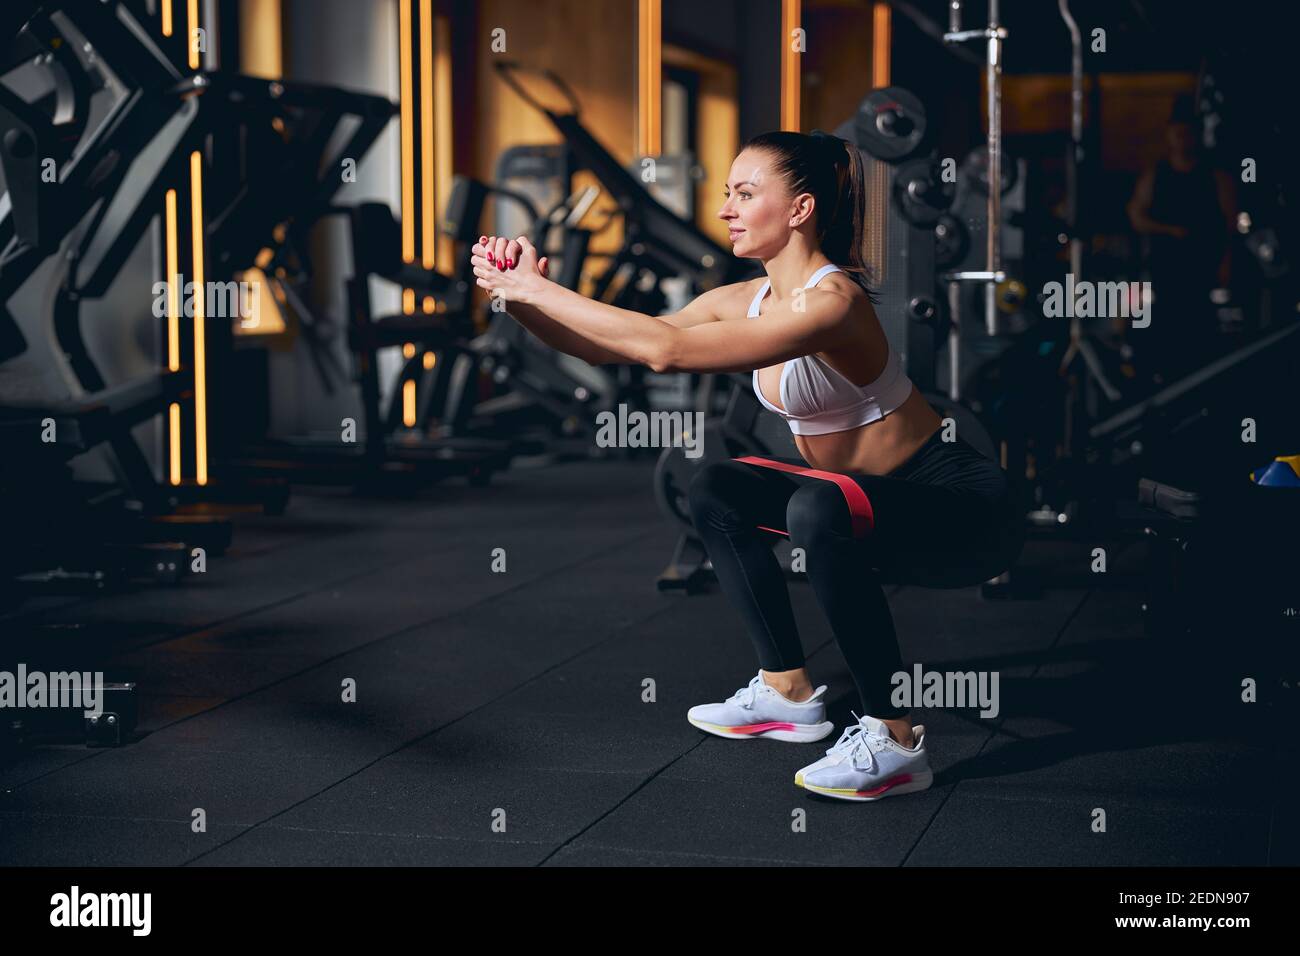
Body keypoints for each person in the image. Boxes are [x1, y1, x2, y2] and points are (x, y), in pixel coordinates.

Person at [471, 129, 1024, 802]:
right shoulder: (746, 298)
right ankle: (787, 693)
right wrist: (523, 296)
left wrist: (534, 286)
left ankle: (897, 742)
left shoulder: (833, 303)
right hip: (864, 501)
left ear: (800, 209)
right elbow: (609, 346)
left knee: (816, 506)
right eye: (727, 194)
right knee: (716, 485)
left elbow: (664, 352)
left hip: (958, 510)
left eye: (744, 193)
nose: (727, 208)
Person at [1125, 94, 1237, 381]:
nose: (1183, 140)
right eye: (1178, 133)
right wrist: (1169, 231)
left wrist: (1225, 261)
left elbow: (1229, 224)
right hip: (1166, 270)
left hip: (1202, 270)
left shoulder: (1215, 177)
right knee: (1165, 334)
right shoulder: (1156, 175)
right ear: (1169, 136)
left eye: (1188, 133)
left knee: (1200, 338)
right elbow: (1136, 217)